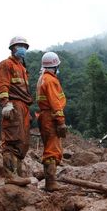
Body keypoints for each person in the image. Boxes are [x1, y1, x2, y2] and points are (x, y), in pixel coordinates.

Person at [0, 36, 34, 184]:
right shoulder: (6, 64)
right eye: (19, 46)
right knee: (12, 139)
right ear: (12, 48)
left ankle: (17, 174)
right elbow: (2, 85)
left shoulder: (22, 68)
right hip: (13, 105)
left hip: (23, 107)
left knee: (22, 141)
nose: (22, 49)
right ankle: (10, 176)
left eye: (24, 46)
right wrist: (5, 103)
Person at [36, 52, 67, 192]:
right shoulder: (51, 80)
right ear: (55, 65)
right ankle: (51, 183)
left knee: (49, 147)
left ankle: (50, 181)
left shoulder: (42, 78)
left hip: (44, 116)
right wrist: (61, 121)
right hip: (50, 117)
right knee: (52, 150)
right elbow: (55, 103)